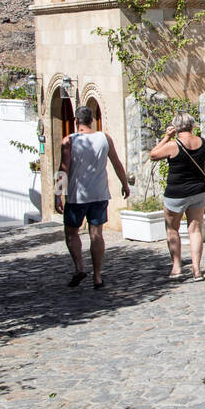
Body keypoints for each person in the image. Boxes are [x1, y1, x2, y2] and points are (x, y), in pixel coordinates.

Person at [56, 105, 130, 289]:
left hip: (76, 195)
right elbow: (116, 162)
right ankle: (97, 276)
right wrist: (124, 183)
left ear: (76, 121)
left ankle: (79, 267)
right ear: (92, 120)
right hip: (99, 193)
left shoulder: (69, 141)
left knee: (71, 232)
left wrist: (58, 195)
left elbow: (63, 169)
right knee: (96, 234)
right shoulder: (104, 138)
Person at [149, 112, 205, 281]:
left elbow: (153, 154)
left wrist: (166, 137)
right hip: (198, 190)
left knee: (172, 229)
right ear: (192, 125)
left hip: (176, 193)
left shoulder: (173, 145)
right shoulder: (204, 143)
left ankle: (177, 267)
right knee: (196, 229)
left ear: (175, 127)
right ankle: (197, 270)